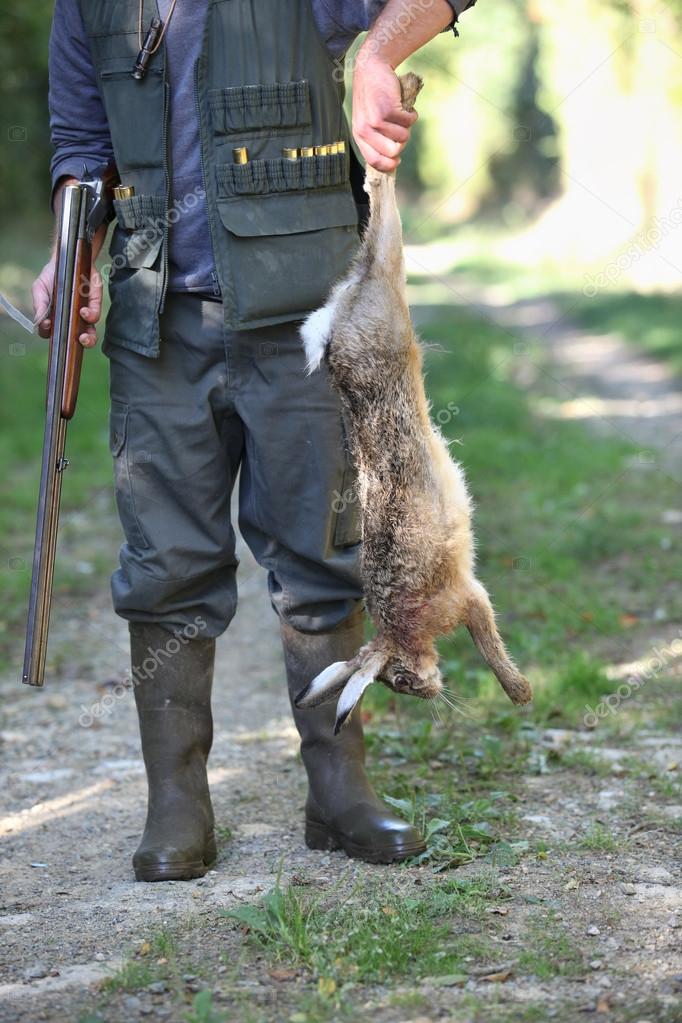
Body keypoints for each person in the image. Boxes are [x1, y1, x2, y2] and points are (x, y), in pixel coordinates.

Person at [33, 0, 476, 882]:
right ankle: (177, 803)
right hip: (157, 320)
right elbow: (81, 146)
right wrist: (71, 251)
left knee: (320, 556)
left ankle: (339, 789)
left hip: (304, 318)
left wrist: (377, 55)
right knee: (165, 565)